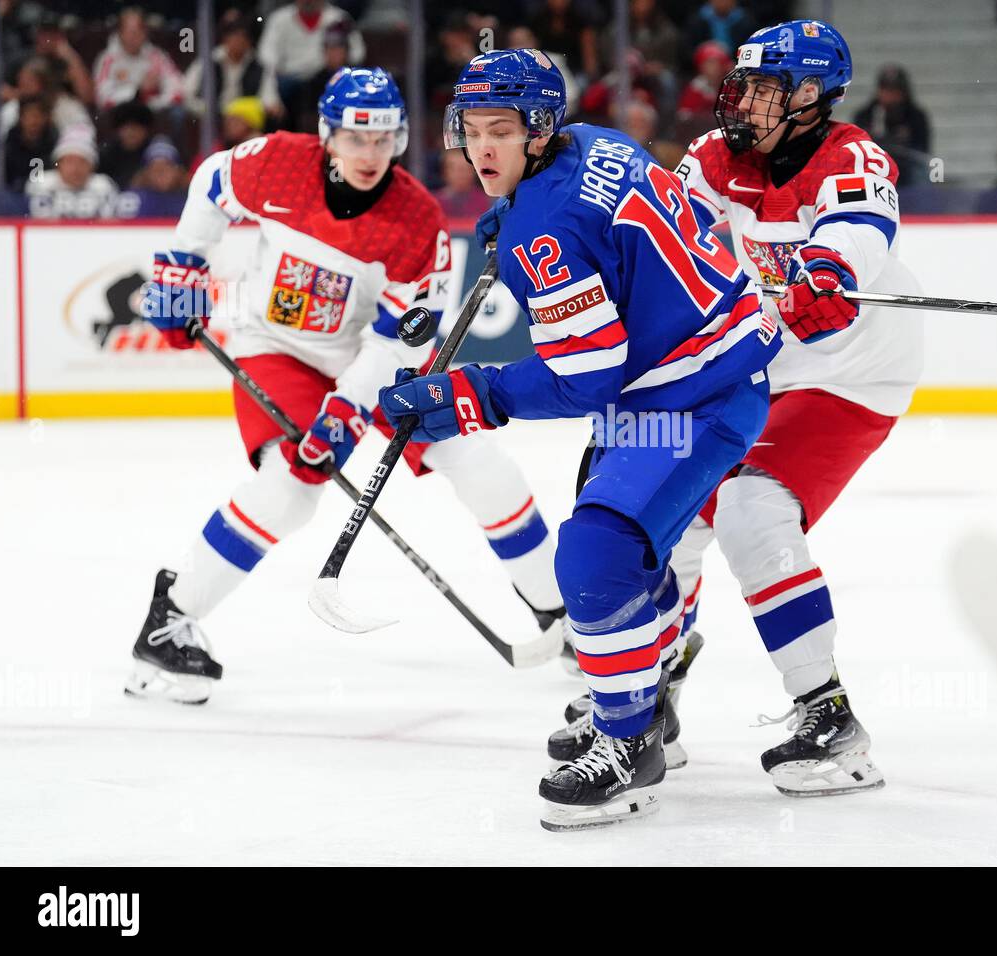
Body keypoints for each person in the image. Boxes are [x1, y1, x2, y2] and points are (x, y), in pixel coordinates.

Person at [378, 48, 783, 830]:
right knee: (629, 554)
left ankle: (630, 745)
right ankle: (642, 701)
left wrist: (472, 392)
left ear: (539, 131)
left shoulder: (547, 225)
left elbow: (588, 373)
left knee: (594, 556)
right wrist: (513, 218)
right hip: (695, 372)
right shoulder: (594, 142)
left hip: (694, 397)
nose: (480, 147)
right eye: (471, 129)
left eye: (501, 130)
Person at [128, 67, 564, 706]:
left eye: (384, 139)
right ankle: (170, 621)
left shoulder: (418, 222)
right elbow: (212, 180)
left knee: (479, 461)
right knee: (289, 490)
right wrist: (181, 265)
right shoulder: (277, 163)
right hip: (279, 348)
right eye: (356, 139)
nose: (370, 155)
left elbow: (395, 342)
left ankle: (565, 619)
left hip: (374, 362)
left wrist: (345, 412)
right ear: (328, 135)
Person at [657, 19, 922, 797]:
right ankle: (643, 696)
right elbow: (665, 237)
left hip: (850, 371)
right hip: (764, 364)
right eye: (742, 84)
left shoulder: (853, 158)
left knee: (750, 511)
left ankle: (829, 719)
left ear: (810, 95)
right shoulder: (715, 157)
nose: (741, 99)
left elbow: (858, 231)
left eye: (765, 88)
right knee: (667, 511)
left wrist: (829, 271)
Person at [92, 7, 184, 113]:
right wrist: (137, 91)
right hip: (122, 113)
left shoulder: (156, 56)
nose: (132, 38)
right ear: (120, 33)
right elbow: (102, 98)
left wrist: (158, 100)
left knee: (178, 112)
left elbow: (177, 88)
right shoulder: (108, 59)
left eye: (137, 32)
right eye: (129, 32)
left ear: (145, 33)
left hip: (153, 111)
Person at [25, 127, 120, 219]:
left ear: (92, 167)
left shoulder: (104, 187)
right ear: (59, 164)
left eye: (82, 161)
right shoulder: (41, 185)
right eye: (69, 161)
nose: (75, 168)